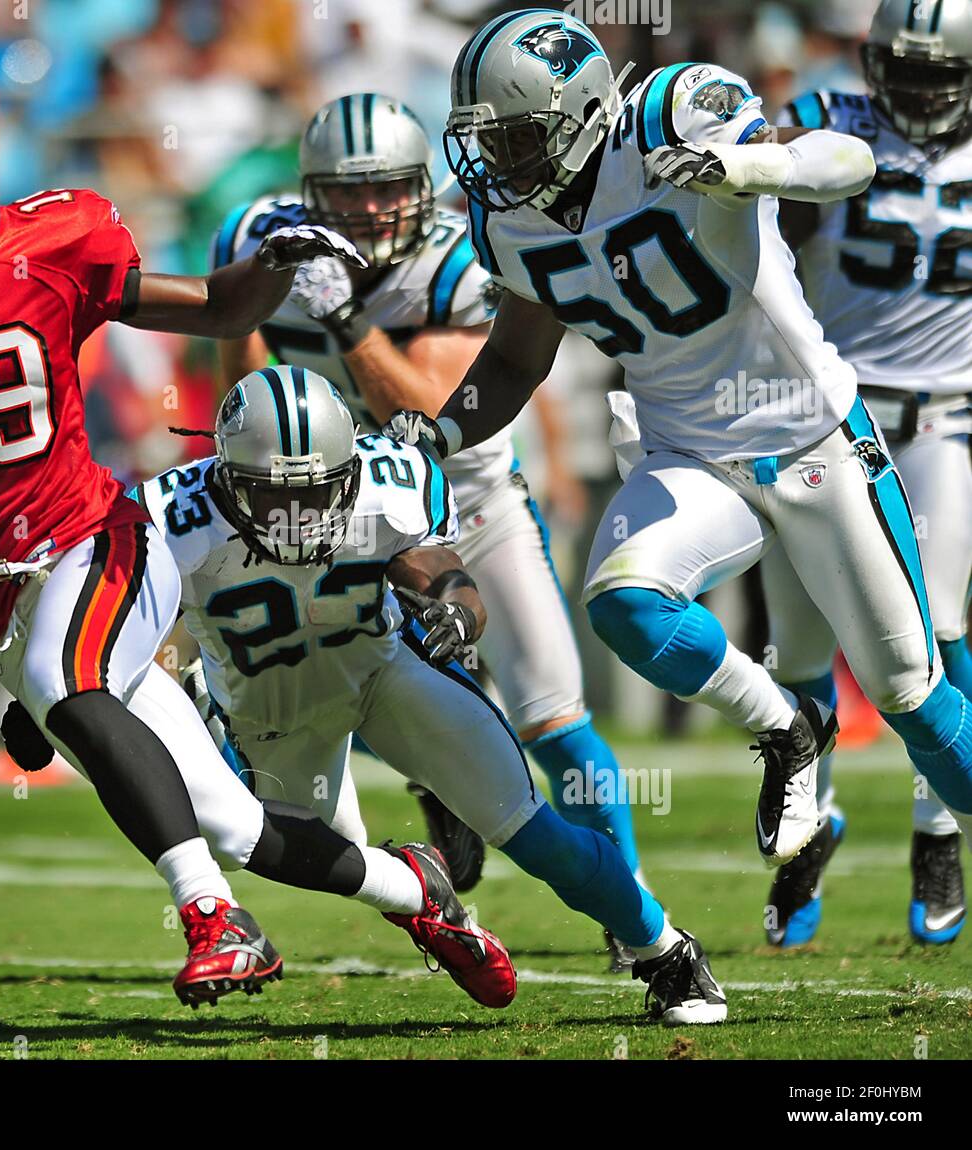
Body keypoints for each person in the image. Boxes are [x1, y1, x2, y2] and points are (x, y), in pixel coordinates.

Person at [0, 90, 511, 1008]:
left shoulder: (52, 243)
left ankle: (212, 920)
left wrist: (274, 268)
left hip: (95, 540)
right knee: (235, 824)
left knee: (68, 683)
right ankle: (419, 891)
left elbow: (221, 312)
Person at [385, 9, 972, 877]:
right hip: (690, 455)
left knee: (910, 696)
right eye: (486, 141)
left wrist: (743, 165)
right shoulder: (513, 221)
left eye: (515, 139)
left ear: (582, 112)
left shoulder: (669, 111)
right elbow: (515, 359)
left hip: (815, 437)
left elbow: (846, 164)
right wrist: (438, 430)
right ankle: (787, 727)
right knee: (623, 601)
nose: (495, 163)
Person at [128, 365, 726, 1025]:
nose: (298, 518)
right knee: (279, 849)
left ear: (351, 471)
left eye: (318, 492)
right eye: (273, 498)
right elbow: (119, 631)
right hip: (267, 716)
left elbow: (443, 570)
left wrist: (458, 611)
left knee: (536, 835)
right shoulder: (168, 520)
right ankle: (424, 898)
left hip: (387, 675)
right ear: (227, 480)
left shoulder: (391, 485)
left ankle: (668, 954)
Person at [212, 93, 647, 969]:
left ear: (425, 187)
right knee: (307, 686)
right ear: (309, 192)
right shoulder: (262, 234)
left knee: (555, 716)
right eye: (346, 192)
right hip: (341, 521)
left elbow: (439, 415)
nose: (369, 210)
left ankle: (628, 906)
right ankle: (435, 769)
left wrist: (345, 317)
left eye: (388, 190)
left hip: (469, 504)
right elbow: (243, 378)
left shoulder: (465, 250)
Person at [756, 0, 972, 946]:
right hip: (822, 418)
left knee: (942, 628)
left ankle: (937, 833)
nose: (913, 93)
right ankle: (807, 828)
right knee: (799, 647)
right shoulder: (832, 125)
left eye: (936, 75)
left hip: (940, 425)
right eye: (901, 69)